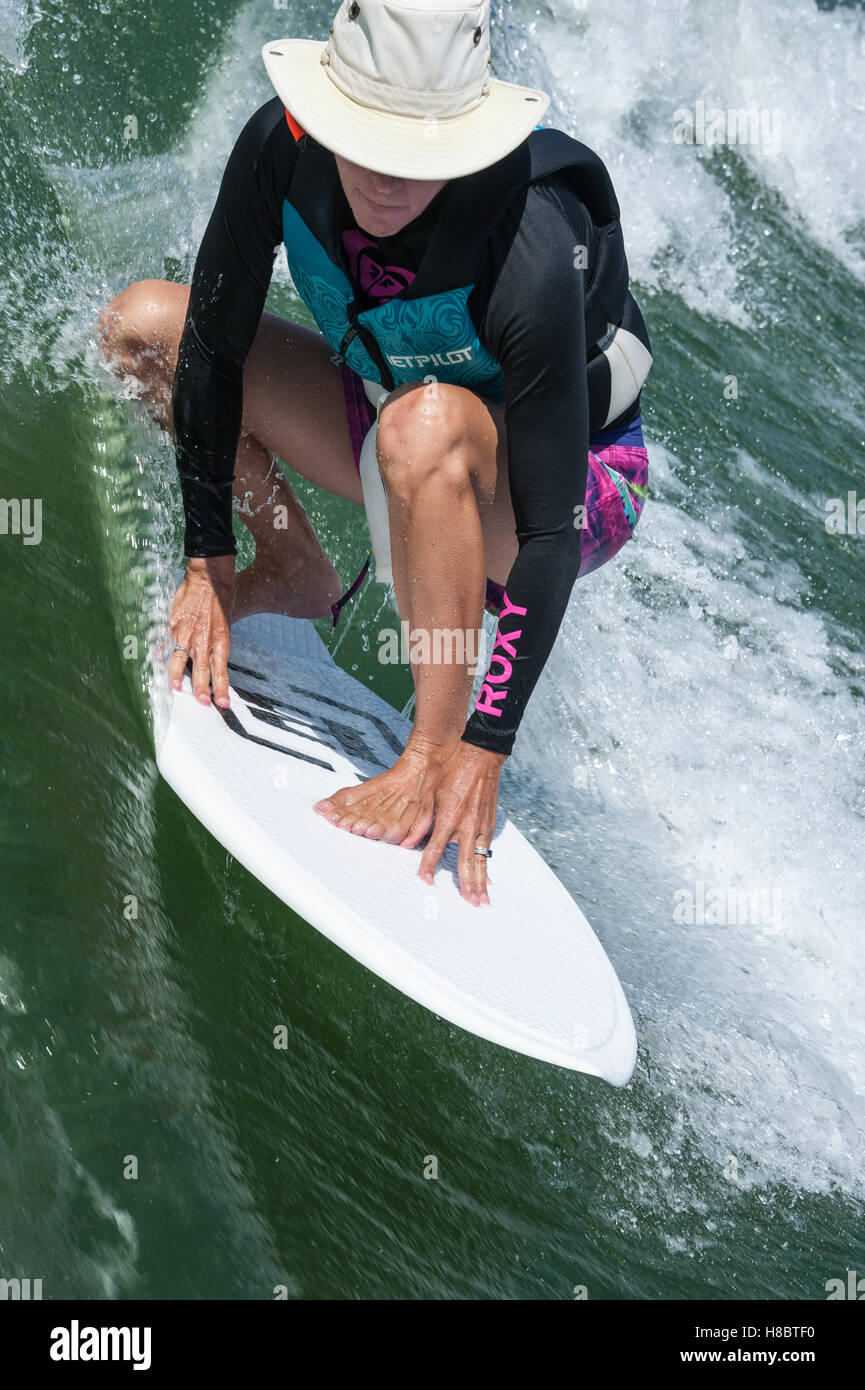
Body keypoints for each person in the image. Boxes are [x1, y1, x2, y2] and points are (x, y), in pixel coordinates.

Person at [97, 0, 652, 907]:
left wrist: (484, 745)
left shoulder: (532, 234)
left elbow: (551, 529)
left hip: (566, 492)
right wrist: (209, 558)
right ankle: (293, 563)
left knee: (424, 426)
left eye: (414, 156)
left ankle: (426, 752)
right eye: (365, 140)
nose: (384, 181)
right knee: (146, 327)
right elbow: (211, 351)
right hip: (394, 419)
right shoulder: (279, 146)